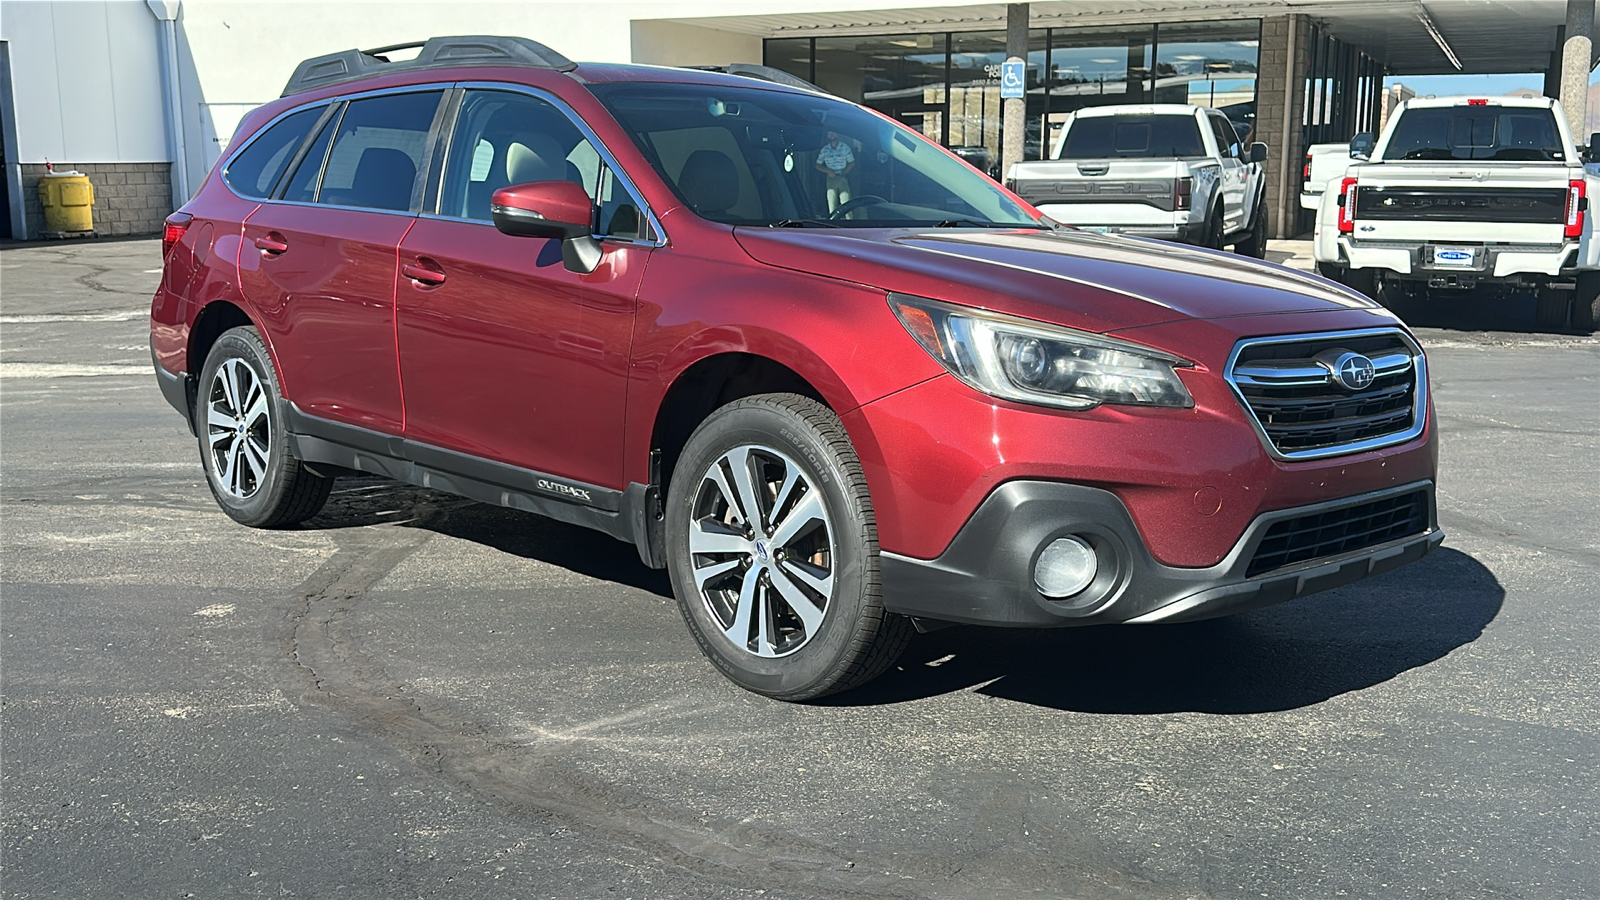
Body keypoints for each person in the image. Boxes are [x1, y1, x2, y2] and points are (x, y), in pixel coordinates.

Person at [815, 131, 855, 213]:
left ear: (838, 134)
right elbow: (817, 165)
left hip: (842, 178)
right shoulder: (825, 150)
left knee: (846, 204)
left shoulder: (845, 147)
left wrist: (844, 173)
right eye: (829, 134)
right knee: (832, 205)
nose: (831, 135)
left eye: (833, 133)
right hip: (831, 179)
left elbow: (852, 162)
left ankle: (849, 220)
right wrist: (828, 171)